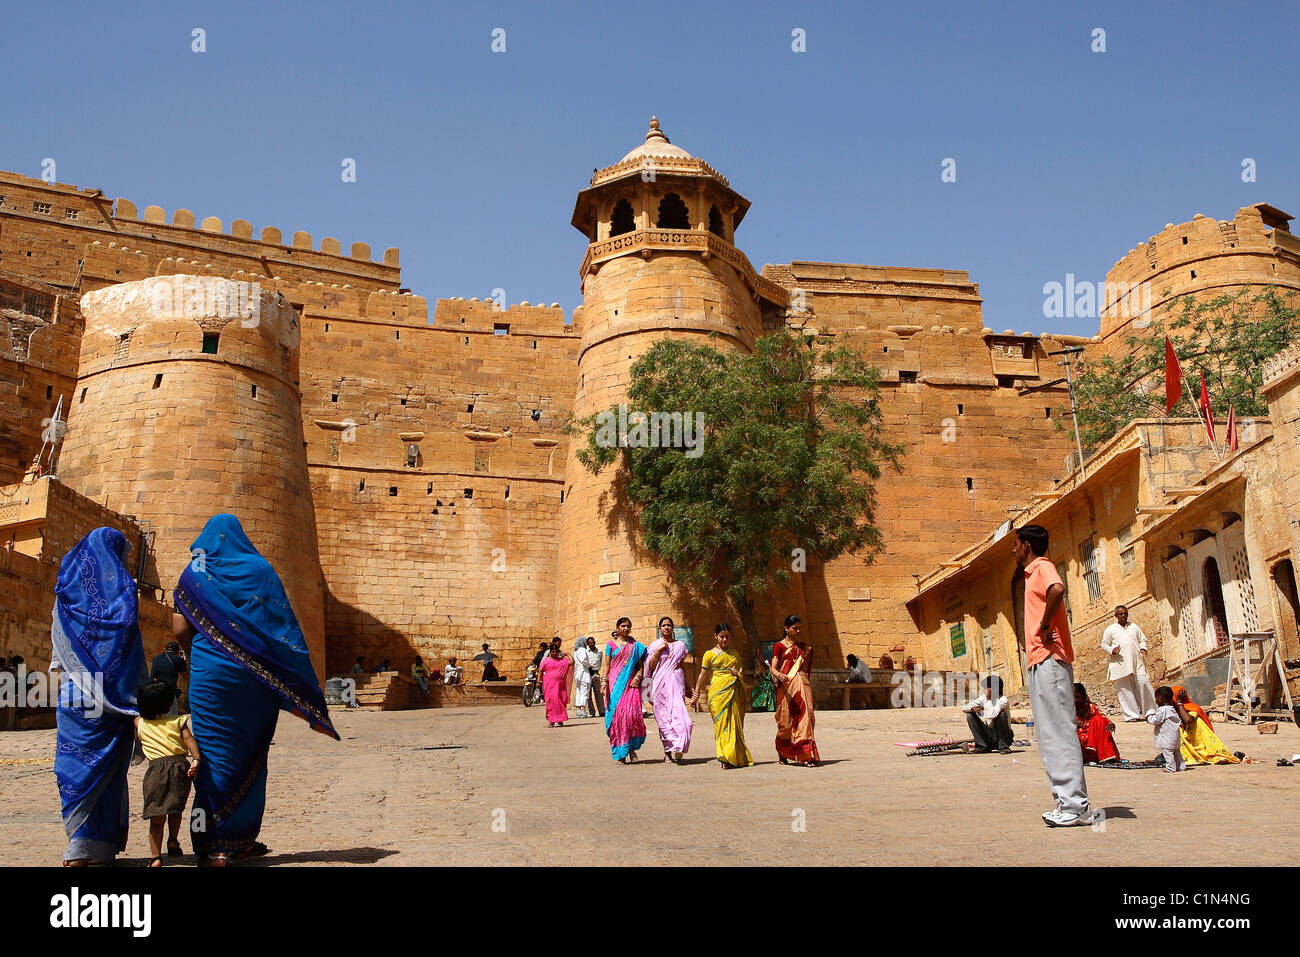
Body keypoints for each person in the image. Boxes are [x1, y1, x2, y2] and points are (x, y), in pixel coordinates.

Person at [173, 514, 339, 865]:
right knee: (250, 754)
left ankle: (209, 846)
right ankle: (239, 840)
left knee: (210, 756)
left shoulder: (194, 574)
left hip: (208, 676)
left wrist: (195, 657)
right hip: (253, 677)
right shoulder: (260, 570)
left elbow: (178, 628)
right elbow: (282, 627)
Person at [51, 528, 147, 866]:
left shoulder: (66, 595)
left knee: (73, 768)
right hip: (113, 700)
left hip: (74, 697)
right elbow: (130, 647)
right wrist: (133, 696)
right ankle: (97, 848)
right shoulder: (124, 594)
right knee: (106, 773)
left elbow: (58, 656)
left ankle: (80, 846)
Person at [1014, 524, 1091, 826]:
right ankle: (1066, 802)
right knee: (1047, 734)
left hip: (1049, 658)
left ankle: (1076, 805)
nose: (1014, 550)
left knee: (1059, 730)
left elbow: (1058, 589)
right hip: (1039, 661)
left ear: (1028, 547)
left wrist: (1045, 626)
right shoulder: (1031, 574)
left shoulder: (1042, 567)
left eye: (1017, 544)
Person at [135, 679, 200, 866]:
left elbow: (129, 713)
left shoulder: (140, 724)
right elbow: (189, 740)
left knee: (156, 817)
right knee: (175, 807)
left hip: (155, 770)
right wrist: (196, 759)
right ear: (170, 704)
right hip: (180, 767)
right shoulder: (178, 721)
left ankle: (155, 857)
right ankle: (173, 840)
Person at [689, 623, 753, 769]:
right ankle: (725, 755)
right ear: (715, 636)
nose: (724, 639)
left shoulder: (734, 654)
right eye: (722, 636)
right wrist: (696, 693)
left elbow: (740, 671)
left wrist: (738, 675)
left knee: (735, 725)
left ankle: (735, 757)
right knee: (721, 725)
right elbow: (703, 674)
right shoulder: (709, 654)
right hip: (717, 693)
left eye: (727, 637)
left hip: (733, 691)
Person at [770, 614, 820, 767]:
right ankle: (783, 750)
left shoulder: (802, 647)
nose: (798, 631)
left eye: (799, 628)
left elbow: (804, 668)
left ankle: (806, 755)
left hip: (803, 685)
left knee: (807, 715)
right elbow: (773, 667)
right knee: (786, 720)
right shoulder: (779, 646)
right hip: (787, 688)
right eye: (794, 628)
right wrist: (779, 675)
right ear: (786, 628)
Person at [599, 617, 647, 763]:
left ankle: (630, 749)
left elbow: (640, 666)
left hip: (631, 684)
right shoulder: (610, 645)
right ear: (618, 628)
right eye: (623, 626)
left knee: (631, 716)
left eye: (628, 626)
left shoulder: (636, 646)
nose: (626, 628)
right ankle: (621, 753)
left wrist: (637, 678)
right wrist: (604, 682)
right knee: (617, 718)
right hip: (614, 685)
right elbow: (606, 666)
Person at [645, 616, 692, 764]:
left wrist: (688, 686)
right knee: (664, 719)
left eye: (669, 625)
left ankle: (678, 747)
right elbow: (649, 668)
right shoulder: (654, 645)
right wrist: (659, 651)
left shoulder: (679, 646)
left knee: (682, 719)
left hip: (677, 684)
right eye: (664, 625)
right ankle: (667, 752)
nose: (666, 627)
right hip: (660, 686)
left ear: (673, 628)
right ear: (660, 629)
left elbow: (683, 666)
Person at [1100, 605, 1157, 721]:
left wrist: (1143, 648)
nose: (1123, 616)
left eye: (1125, 613)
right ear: (1116, 616)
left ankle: (1150, 711)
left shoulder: (1134, 626)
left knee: (1143, 682)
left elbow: (1142, 639)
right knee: (1125, 689)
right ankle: (1131, 715)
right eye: (1120, 614)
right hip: (1120, 662)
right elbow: (1104, 644)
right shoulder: (1110, 629)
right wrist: (1112, 650)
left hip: (1137, 660)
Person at [1172, 685, 1239, 765]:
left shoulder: (1193, 708)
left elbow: (1187, 720)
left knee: (1197, 722)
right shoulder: (1172, 710)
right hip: (1186, 744)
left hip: (1200, 743)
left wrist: (1179, 703)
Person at [962, 675, 1013, 752]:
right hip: (990, 734)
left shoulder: (1003, 700)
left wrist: (988, 699)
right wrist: (972, 708)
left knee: (1001, 715)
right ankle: (982, 746)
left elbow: (993, 714)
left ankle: (1003, 746)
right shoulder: (983, 698)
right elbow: (965, 708)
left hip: (1003, 735)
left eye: (986, 688)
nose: (984, 690)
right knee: (970, 715)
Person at [1148, 685, 1193, 772]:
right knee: (1177, 753)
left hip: (1167, 738)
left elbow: (1155, 720)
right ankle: (1181, 766)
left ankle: (1170, 768)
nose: (1155, 700)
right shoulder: (1172, 709)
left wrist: (1149, 717)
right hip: (1175, 737)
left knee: (1168, 753)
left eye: (1156, 698)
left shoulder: (1162, 710)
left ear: (1160, 698)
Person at [1074, 683, 1120, 763]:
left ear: (1084, 697)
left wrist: (1110, 723)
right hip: (1076, 742)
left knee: (1099, 720)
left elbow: (1103, 718)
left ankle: (1106, 756)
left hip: (1090, 739)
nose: (1075, 700)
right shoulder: (1065, 709)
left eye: (1078, 697)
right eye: (1073, 697)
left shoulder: (1090, 707)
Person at [150, 640, 189, 716]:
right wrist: (184, 661)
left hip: (156, 690)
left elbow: (153, 675)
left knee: (157, 715)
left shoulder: (156, 658)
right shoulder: (178, 660)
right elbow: (185, 676)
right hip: (169, 692)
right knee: (171, 716)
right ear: (177, 651)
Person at [540, 637, 572, 728]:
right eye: (552, 652)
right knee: (551, 701)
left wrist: (567, 654)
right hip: (549, 684)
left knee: (561, 701)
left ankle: (560, 719)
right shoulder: (546, 658)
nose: (554, 653)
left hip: (560, 684)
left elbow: (571, 662)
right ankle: (551, 721)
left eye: (556, 651)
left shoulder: (561, 659)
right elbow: (541, 669)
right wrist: (539, 681)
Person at [572, 637, 597, 719]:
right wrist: (590, 666)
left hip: (577, 674)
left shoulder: (575, 652)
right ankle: (583, 711)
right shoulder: (582, 650)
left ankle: (579, 710)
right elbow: (584, 660)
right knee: (584, 691)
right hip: (583, 673)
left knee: (579, 692)